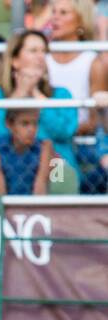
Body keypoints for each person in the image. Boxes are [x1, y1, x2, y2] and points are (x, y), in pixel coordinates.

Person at [0, 30, 80, 176]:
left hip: (55, 164)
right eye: (33, 51)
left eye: (44, 51)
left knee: (62, 181)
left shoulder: (61, 94)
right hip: (7, 164)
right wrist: (19, 95)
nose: (41, 56)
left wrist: (38, 96)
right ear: (15, 60)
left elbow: (65, 131)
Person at [46, 0, 108, 191]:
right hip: (51, 143)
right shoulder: (43, 59)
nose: (55, 17)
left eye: (63, 13)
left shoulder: (93, 62)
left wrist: (64, 129)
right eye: (54, 12)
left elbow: (94, 119)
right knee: (57, 174)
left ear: (80, 21)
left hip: (83, 146)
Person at [0, 107, 54, 194]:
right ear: (9, 124)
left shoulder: (43, 147)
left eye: (35, 124)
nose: (31, 129)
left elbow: (40, 187)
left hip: (33, 203)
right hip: (7, 203)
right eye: (25, 124)